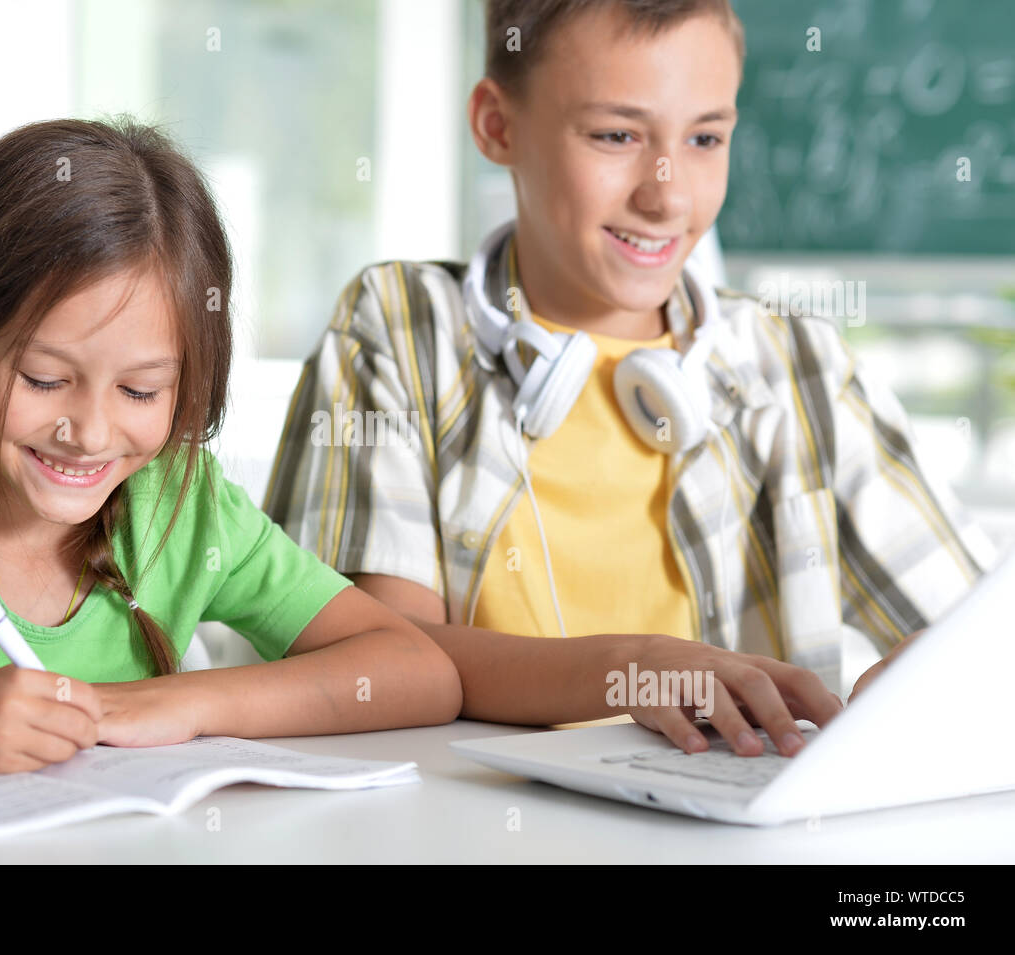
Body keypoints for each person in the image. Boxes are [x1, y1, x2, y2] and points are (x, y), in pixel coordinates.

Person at [264, 0, 995, 759]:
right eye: (616, 135)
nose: (668, 194)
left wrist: (935, 674)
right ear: (496, 125)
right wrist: (629, 671)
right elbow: (372, 660)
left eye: (706, 137)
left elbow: (979, 629)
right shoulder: (400, 328)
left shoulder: (797, 363)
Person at [0, 116, 462, 774]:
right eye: (44, 378)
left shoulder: (186, 509)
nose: (92, 433)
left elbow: (416, 670)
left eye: (140, 391)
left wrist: (183, 702)